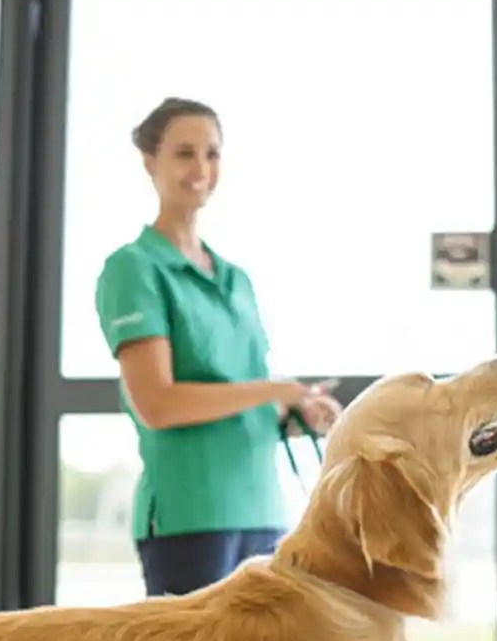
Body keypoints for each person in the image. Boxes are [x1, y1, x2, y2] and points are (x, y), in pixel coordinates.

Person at [94, 97, 342, 598]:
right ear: (150, 162)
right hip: (190, 519)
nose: (201, 169)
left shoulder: (236, 280)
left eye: (212, 154)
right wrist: (272, 389)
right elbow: (157, 404)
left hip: (264, 516)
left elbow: (242, 400)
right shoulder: (135, 269)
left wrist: (295, 411)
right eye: (184, 153)